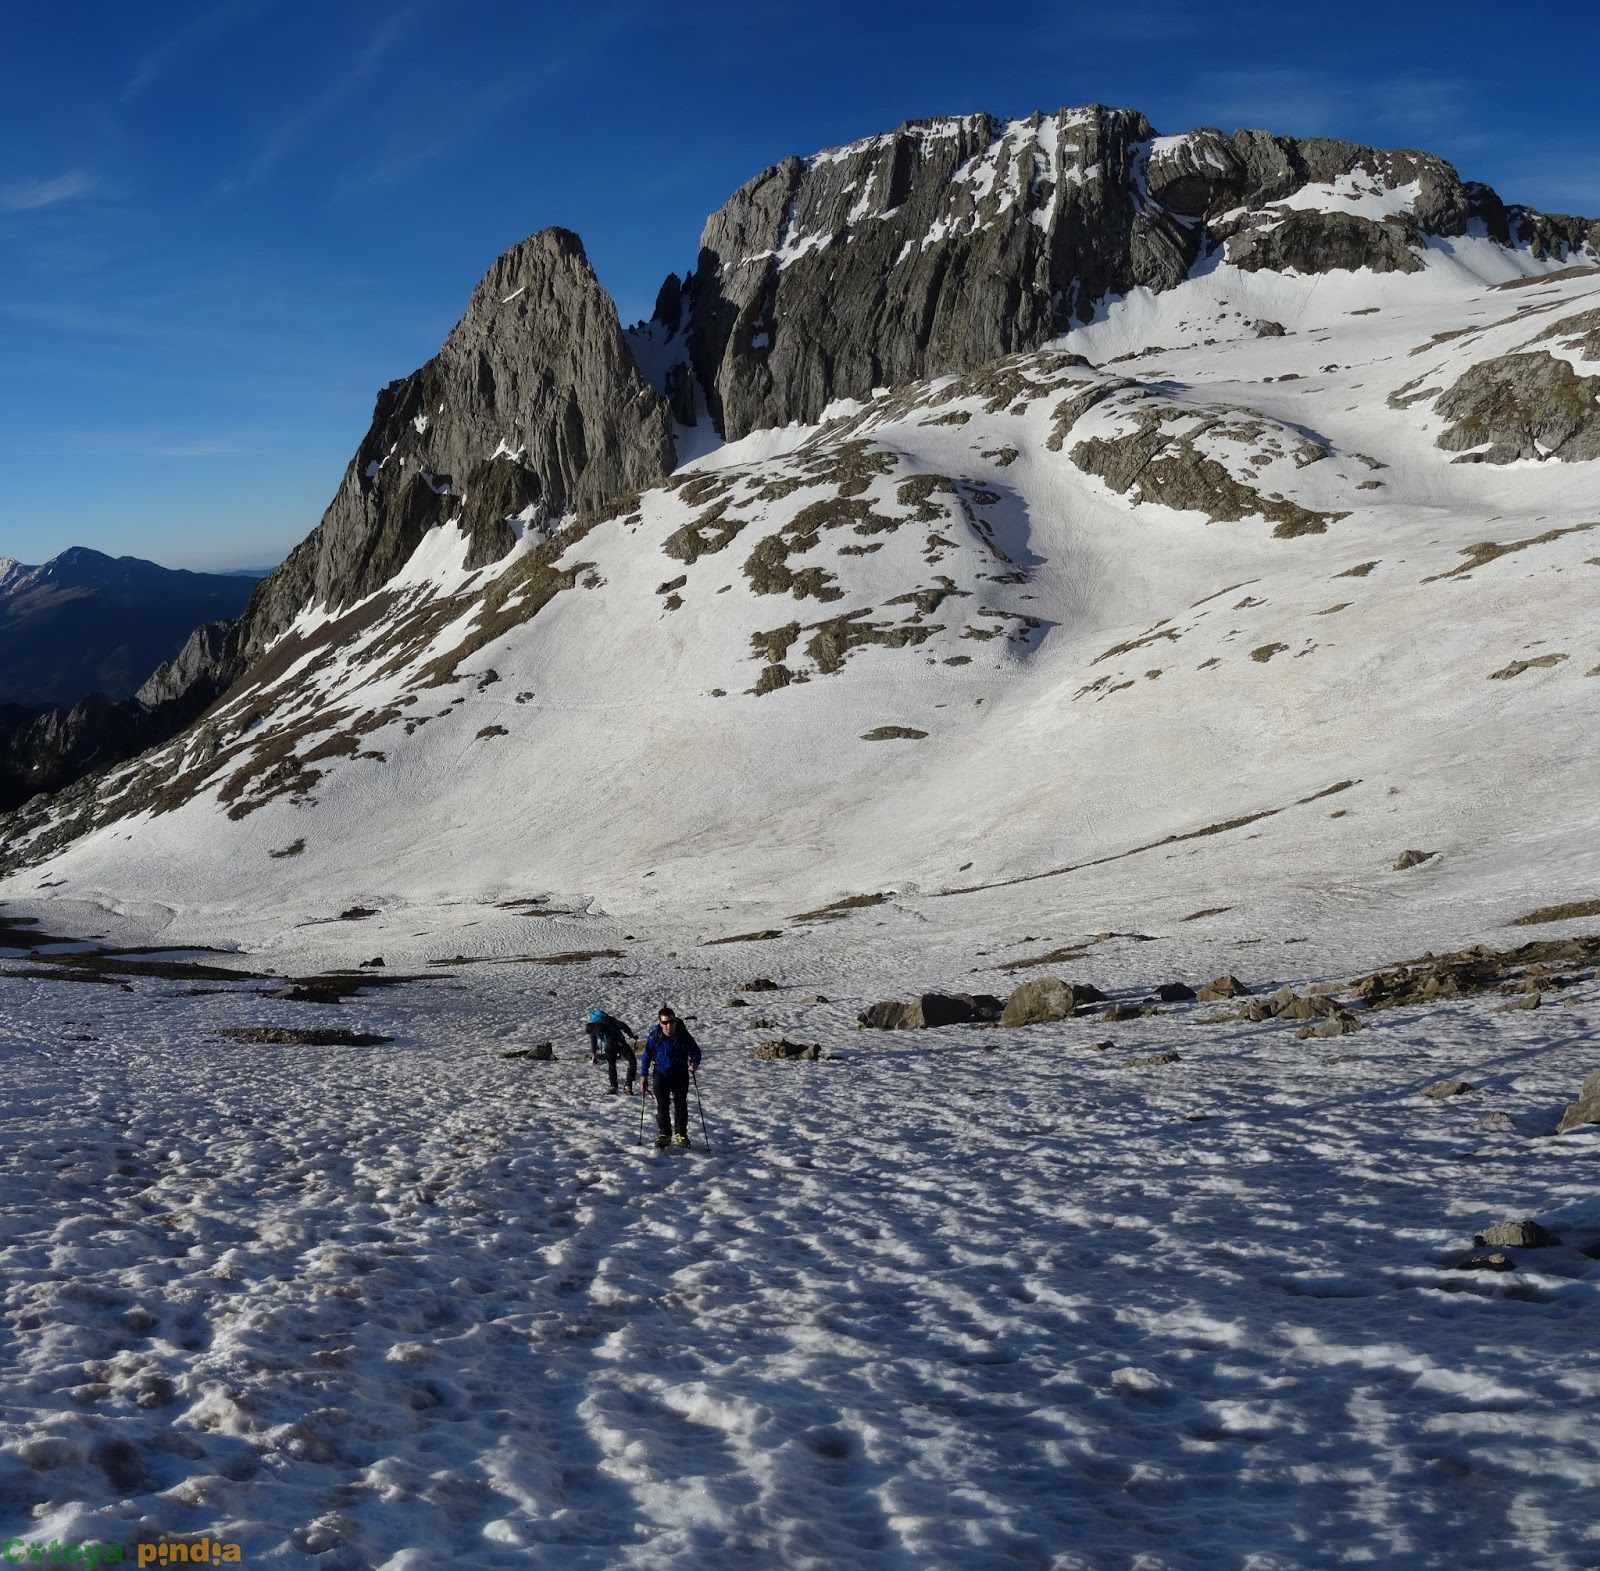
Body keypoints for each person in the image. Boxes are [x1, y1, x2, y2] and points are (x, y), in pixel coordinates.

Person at [640, 1004, 701, 1149]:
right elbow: (646, 1056)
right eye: (665, 1022)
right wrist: (643, 1076)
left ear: (675, 1021)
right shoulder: (654, 1036)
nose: (669, 1026)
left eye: (671, 1022)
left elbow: (696, 1051)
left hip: (680, 1073)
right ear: (660, 1023)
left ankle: (681, 1133)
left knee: (680, 1104)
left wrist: (694, 1062)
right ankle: (664, 1134)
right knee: (662, 1105)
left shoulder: (682, 1034)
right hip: (661, 1073)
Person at [584, 1008, 638, 1095]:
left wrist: (594, 1053)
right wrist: (631, 1035)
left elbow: (623, 1025)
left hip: (617, 1045)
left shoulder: (604, 1023)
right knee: (629, 1062)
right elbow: (623, 1026)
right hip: (617, 1045)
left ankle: (617, 1086)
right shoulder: (602, 1024)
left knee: (615, 1065)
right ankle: (624, 1086)